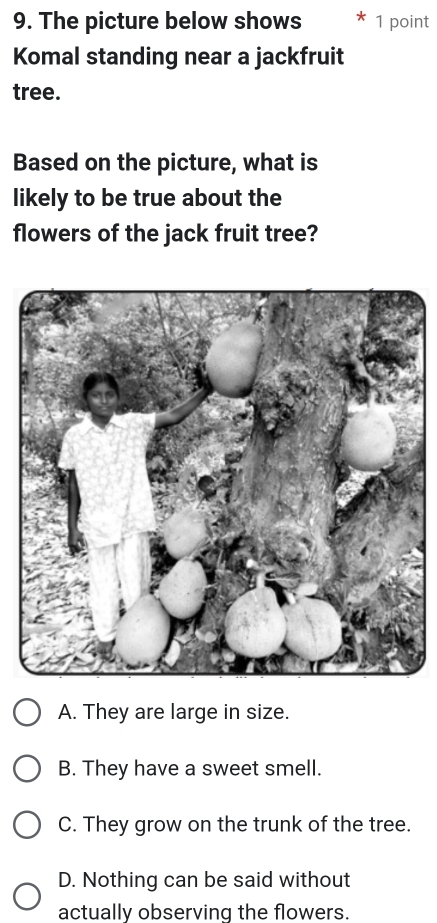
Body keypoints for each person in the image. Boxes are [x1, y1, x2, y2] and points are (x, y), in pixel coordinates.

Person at [59, 370, 212, 659]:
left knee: (136, 580)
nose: (103, 401)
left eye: (109, 394)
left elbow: (173, 416)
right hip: (97, 522)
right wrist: (72, 528)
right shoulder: (75, 436)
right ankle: (106, 633)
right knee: (102, 581)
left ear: (118, 397)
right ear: (86, 398)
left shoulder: (133, 425)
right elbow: (74, 482)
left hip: (132, 519)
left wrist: (206, 391)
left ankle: (139, 632)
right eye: (96, 395)